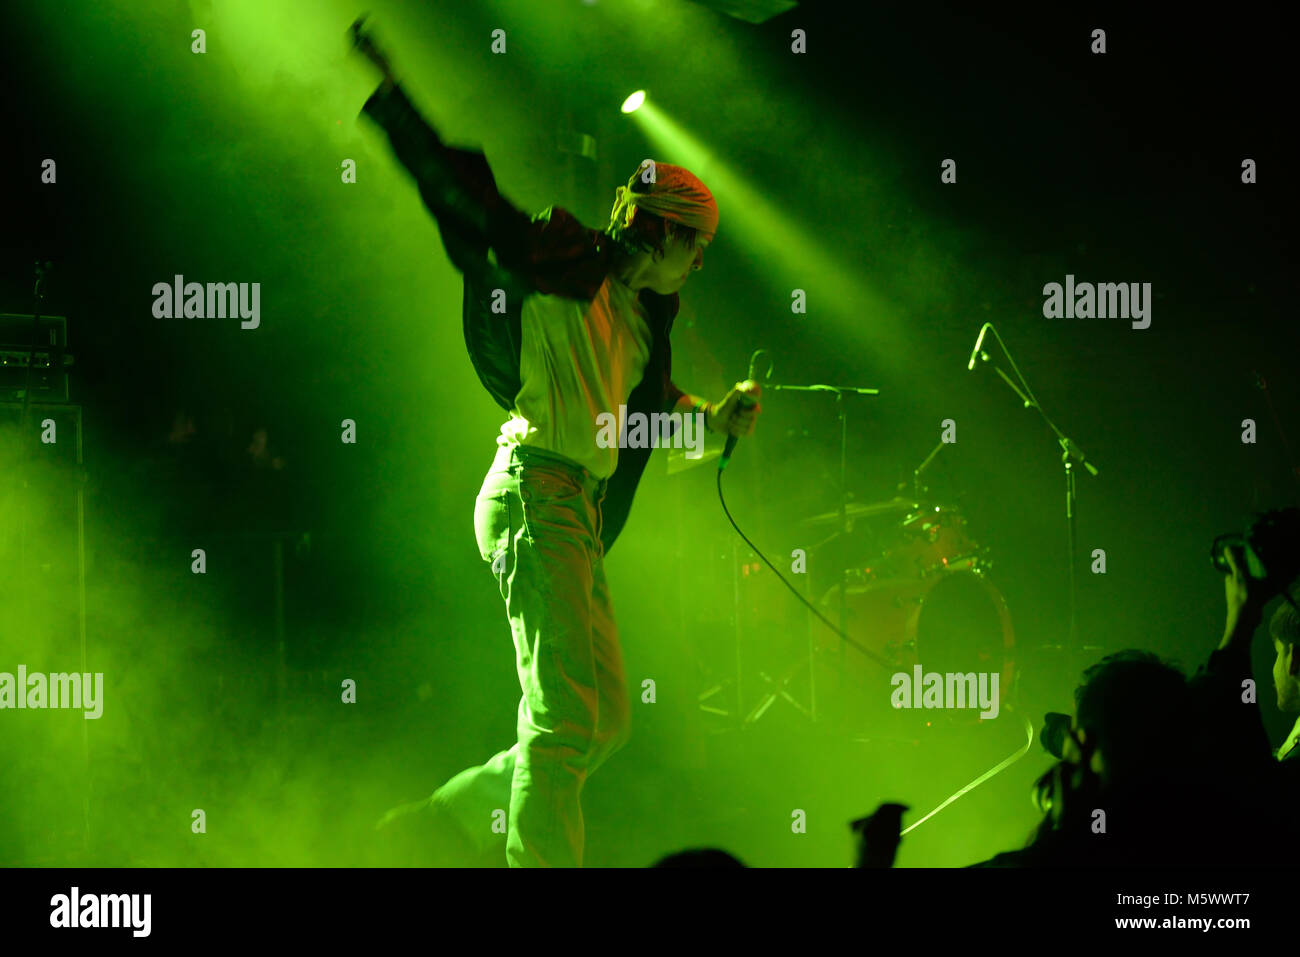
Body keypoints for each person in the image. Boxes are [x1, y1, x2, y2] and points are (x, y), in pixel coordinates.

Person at [351, 18, 761, 867]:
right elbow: (467, 198)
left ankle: (448, 815)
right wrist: (396, 102)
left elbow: (637, 416)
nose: (699, 267)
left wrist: (714, 419)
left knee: (603, 719)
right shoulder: (559, 260)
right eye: (700, 249)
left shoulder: (643, 324)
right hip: (534, 489)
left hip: (565, 502)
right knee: (566, 719)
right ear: (668, 234)